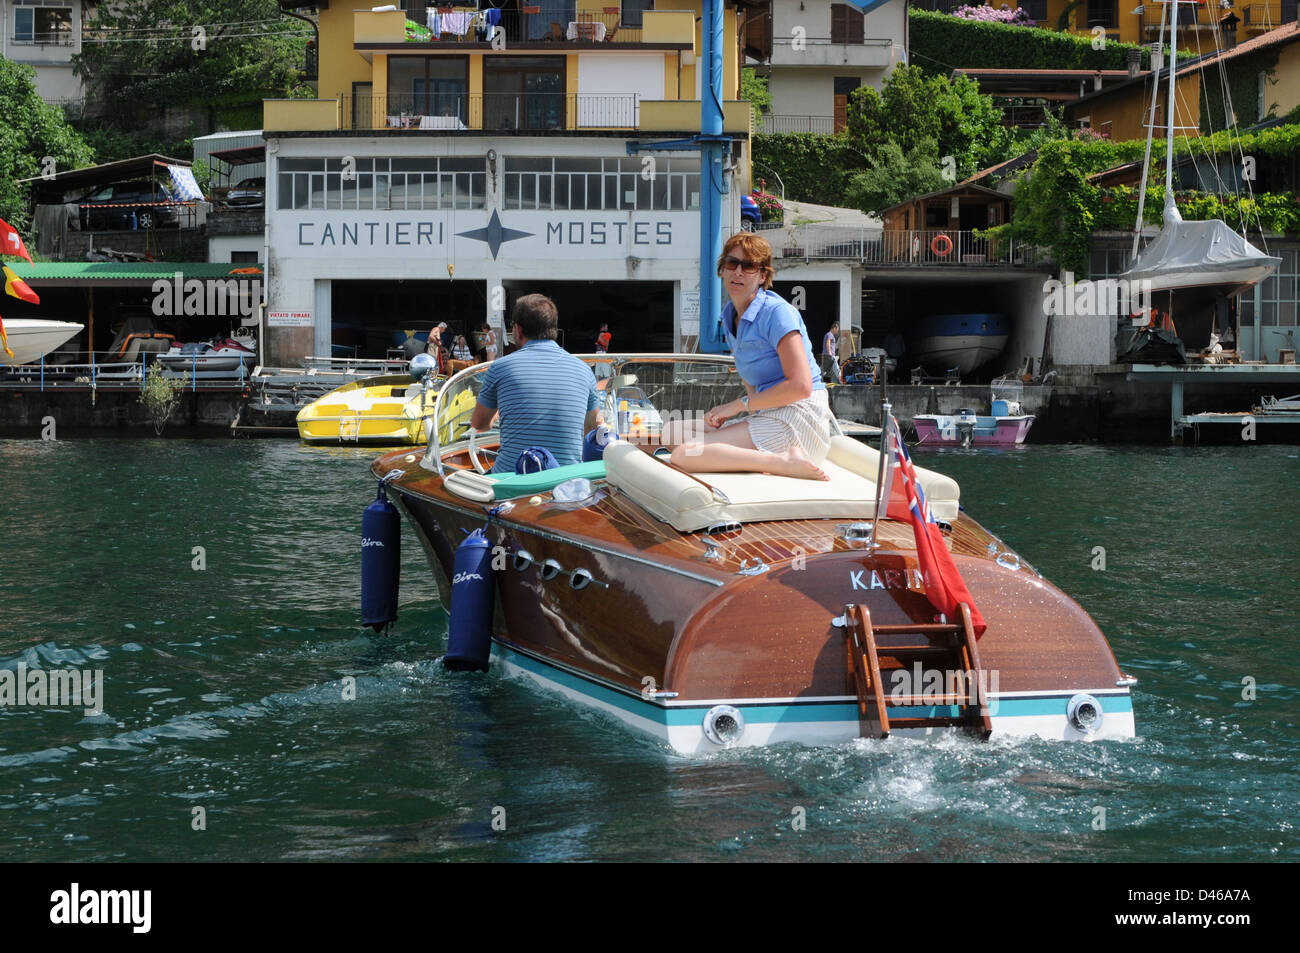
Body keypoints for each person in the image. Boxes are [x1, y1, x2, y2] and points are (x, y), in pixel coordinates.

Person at [668, 232, 831, 481]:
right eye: (732, 264)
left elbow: (801, 386)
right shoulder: (730, 317)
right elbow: (751, 380)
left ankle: (782, 461)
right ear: (722, 269)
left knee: (684, 455)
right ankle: (729, 450)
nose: (738, 272)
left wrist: (735, 408)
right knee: (671, 431)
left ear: (763, 275)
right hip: (768, 412)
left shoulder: (777, 313)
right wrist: (743, 417)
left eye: (749, 266)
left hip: (799, 416)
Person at [471, 294, 602, 473]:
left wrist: (496, 416)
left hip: (512, 481)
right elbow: (592, 427)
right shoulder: (584, 370)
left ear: (517, 330)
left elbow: (479, 424)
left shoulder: (500, 368)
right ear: (554, 329)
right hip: (565, 483)